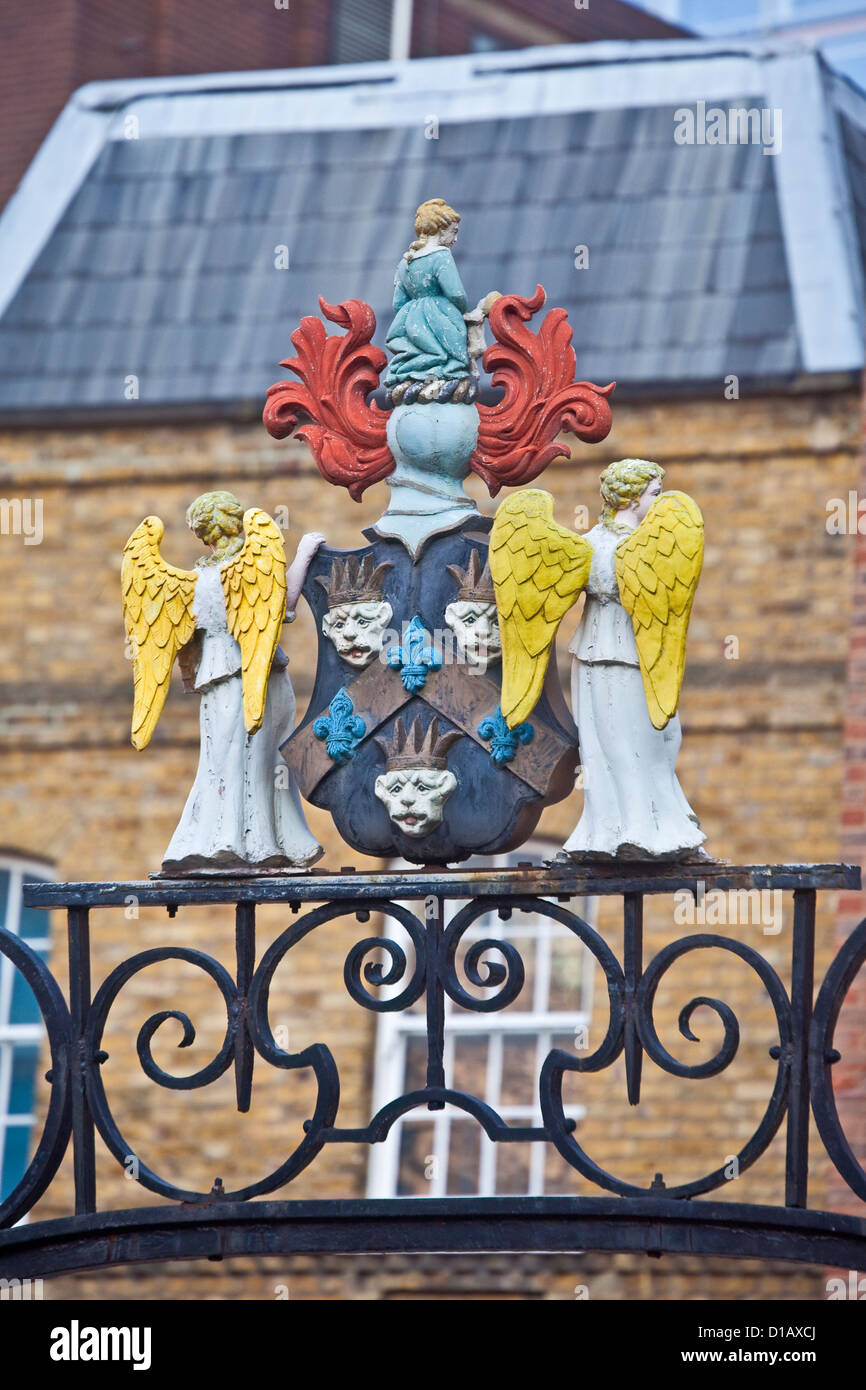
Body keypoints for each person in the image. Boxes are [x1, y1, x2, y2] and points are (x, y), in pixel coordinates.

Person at [563, 459, 706, 859]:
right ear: (631, 498)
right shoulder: (595, 544)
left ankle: (667, 824)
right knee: (613, 743)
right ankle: (623, 831)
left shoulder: (646, 542)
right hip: (606, 655)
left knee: (662, 736)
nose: (660, 503)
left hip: (640, 653)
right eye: (655, 494)